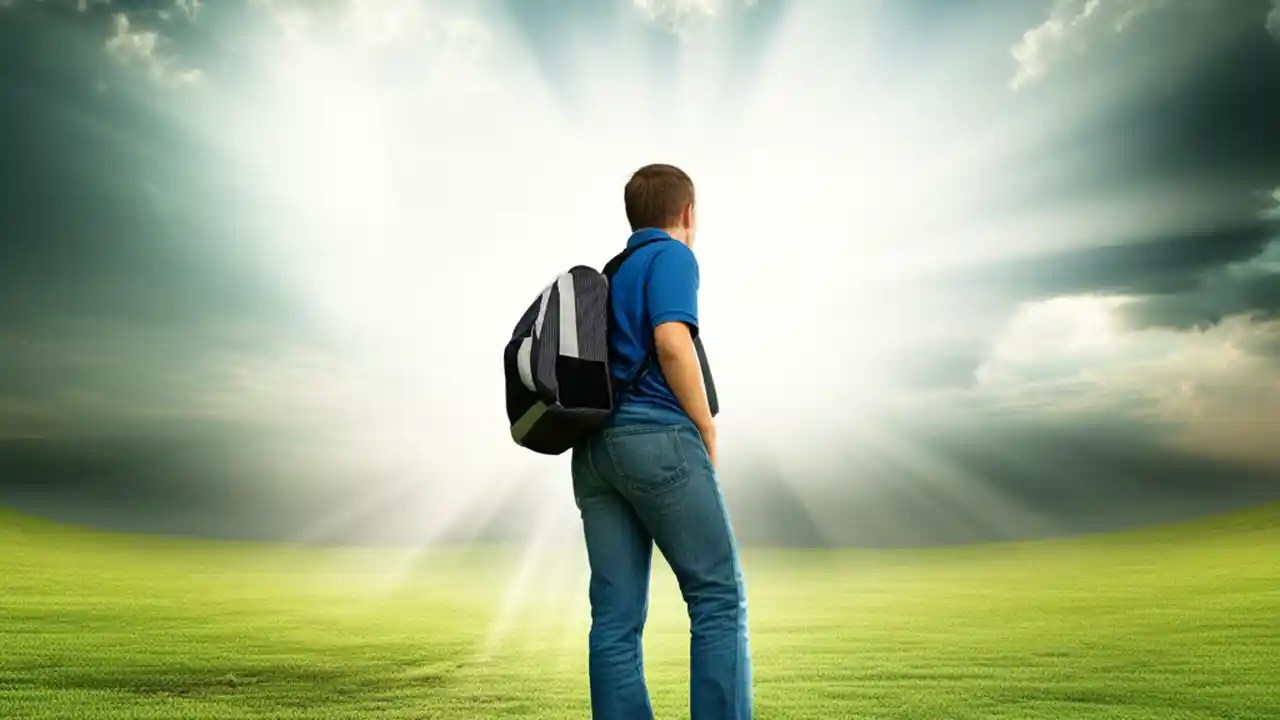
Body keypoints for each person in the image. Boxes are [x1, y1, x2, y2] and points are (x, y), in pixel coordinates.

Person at [570, 163, 752, 719]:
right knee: (718, 600)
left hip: (596, 453)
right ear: (688, 213)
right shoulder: (673, 256)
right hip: (658, 440)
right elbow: (672, 342)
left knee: (615, 620)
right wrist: (706, 426)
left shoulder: (612, 272)